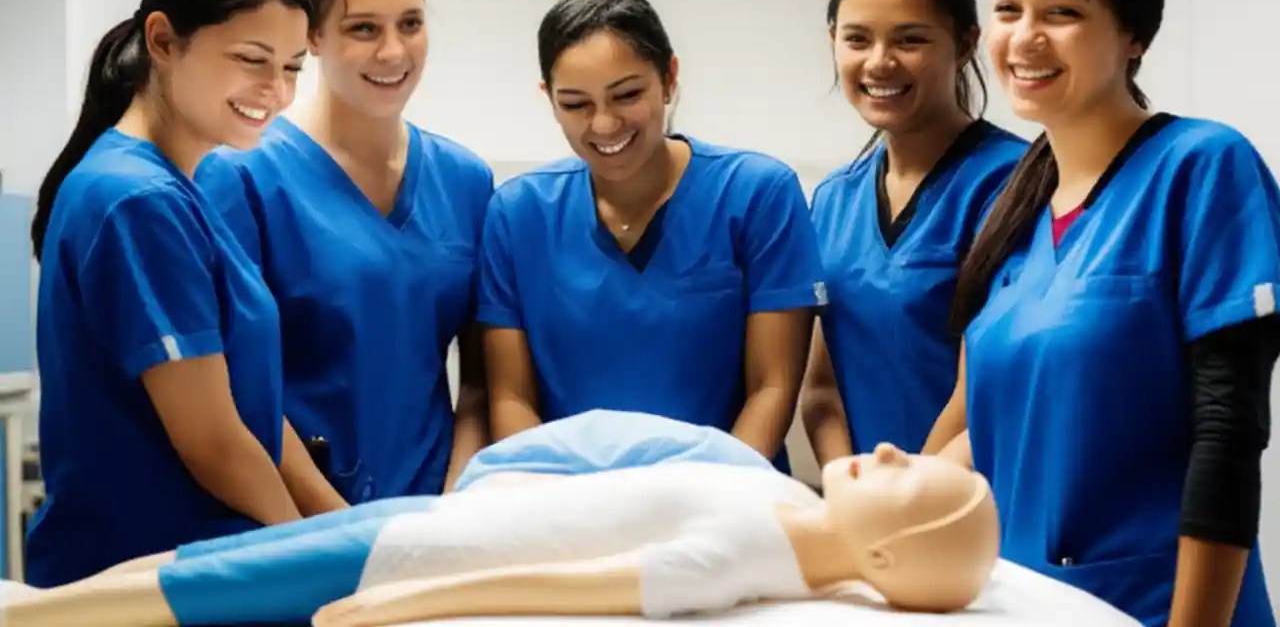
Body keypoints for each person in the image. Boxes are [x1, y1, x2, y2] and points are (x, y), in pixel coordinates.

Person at [925, 0, 1278, 625]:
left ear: (1133, 33)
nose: (1025, 37)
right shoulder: (1010, 208)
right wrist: (882, 499)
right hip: (1020, 600)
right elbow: (981, 424)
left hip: (1155, 604)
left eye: (1063, 12)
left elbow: (1228, 431)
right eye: (1007, 9)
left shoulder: (1201, 167)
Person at [0, 436, 999, 627]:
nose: (892, 451)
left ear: (884, 558)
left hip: (416, 554)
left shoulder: (743, 561)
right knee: (207, 561)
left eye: (909, 483)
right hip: (437, 517)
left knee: (204, 591)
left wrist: (409, 600)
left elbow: (576, 588)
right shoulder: (775, 504)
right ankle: (40, 607)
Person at [25, 0, 319, 587]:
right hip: (153, 576)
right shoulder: (135, 199)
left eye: (294, 67)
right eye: (251, 59)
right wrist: (311, 557)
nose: (276, 91)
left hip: (203, 568)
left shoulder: (182, 187)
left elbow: (253, 412)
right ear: (162, 39)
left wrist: (345, 529)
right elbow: (215, 443)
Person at [478, 0, 826, 471]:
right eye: (575, 104)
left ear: (669, 78)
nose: (603, 124)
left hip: (729, 505)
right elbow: (511, 400)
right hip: (570, 510)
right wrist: (563, 508)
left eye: (626, 94)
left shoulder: (757, 193)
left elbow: (772, 388)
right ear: (547, 97)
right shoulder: (517, 214)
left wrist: (701, 507)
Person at [195, 0, 493, 503]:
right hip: (297, 521)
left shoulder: (466, 181)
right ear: (312, 36)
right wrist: (337, 530)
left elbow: (480, 383)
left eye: (410, 23)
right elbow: (234, 395)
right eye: (363, 29)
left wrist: (457, 510)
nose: (392, 51)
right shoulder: (242, 176)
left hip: (433, 517)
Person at [801, 0, 1028, 466]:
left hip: (973, 502)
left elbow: (987, 389)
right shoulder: (833, 200)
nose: (880, 62)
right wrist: (851, 491)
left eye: (910, 40)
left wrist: (906, 496)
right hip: (868, 511)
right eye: (857, 39)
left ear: (967, 42)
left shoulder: (1016, 182)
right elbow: (820, 389)